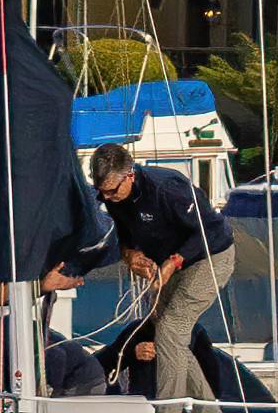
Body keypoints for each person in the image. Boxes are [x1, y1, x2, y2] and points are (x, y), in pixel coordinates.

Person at [74, 135, 238, 403]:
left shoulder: (167, 188)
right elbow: (125, 234)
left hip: (210, 256)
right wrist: (130, 255)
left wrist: (173, 263)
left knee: (170, 329)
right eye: (101, 192)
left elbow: (210, 232)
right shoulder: (114, 198)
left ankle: (167, 409)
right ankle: (207, 409)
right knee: (166, 332)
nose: (107, 198)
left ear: (130, 176)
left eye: (112, 191)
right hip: (169, 260)